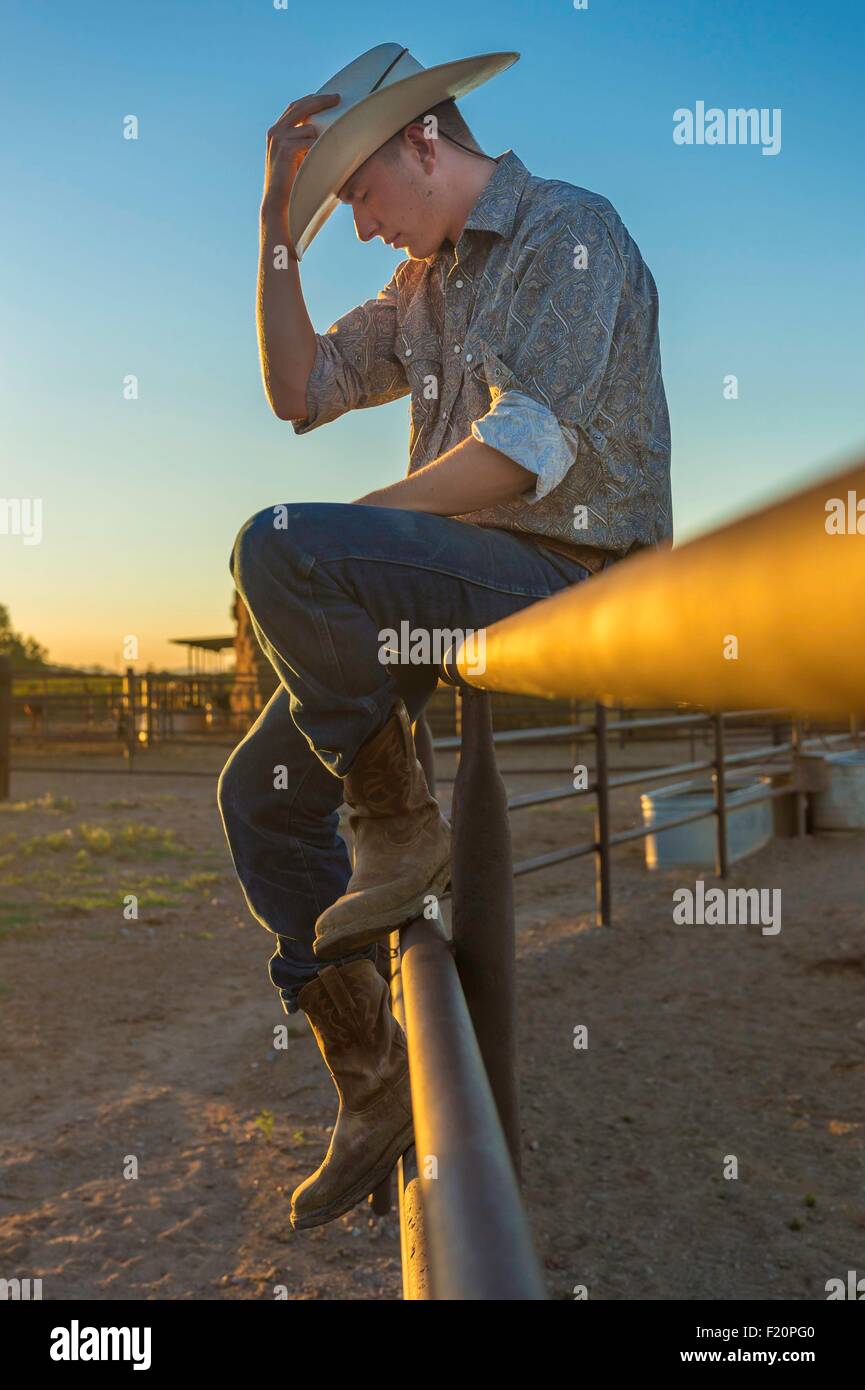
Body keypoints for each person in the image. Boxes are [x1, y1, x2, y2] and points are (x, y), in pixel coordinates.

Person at [218, 42, 672, 1229]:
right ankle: (372, 1083)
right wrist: (275, 218)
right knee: (255, 797)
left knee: (282, 541)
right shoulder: (421, 286)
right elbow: (300, 389)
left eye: (357, 194)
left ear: (422, 140)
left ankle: (393, 820)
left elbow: (530, 450)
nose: (358, 227)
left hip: (571, 568)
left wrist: (346, 537)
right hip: (453, 579)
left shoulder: (573, 230)